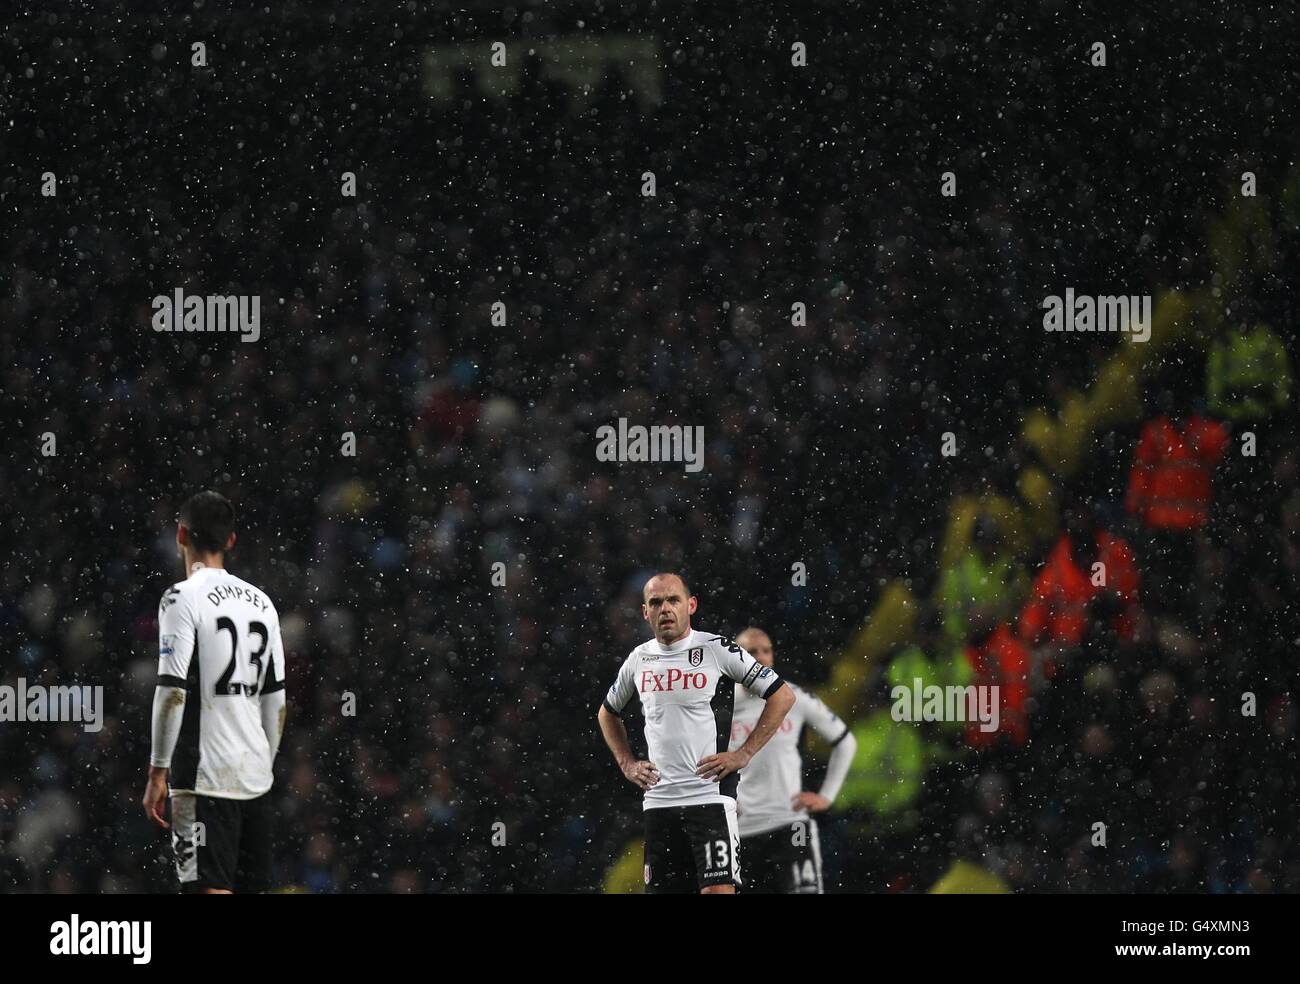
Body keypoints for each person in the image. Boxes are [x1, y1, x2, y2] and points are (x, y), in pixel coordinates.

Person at [597, 573, 795, 894]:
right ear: (645, 612)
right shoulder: (638, 659)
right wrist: (627, 764)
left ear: (691, 605)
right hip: (660, 802)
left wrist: (742, 754)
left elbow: (782, 696)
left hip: (710, 797)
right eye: (656, 602)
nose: (665, 609)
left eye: (673, 600)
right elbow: (608, 712)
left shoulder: (717, 649)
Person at [142, 491, 287, 893]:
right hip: (255, 776)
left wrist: (158, 771)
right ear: (231, 541)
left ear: (181, 534)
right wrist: (264, 762)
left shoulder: (180, 598)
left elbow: (172, 690)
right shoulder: (263, 604)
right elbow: (275, 702)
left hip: (204, 777)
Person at [727, 627, 856, 893]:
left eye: (766, 650)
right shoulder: (720, 708)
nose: (761, 657)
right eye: (752, 652)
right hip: (741, 831)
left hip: (790, 823)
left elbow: (845, 741)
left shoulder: (793, 697)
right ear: (736, 658)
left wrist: (827, 796)